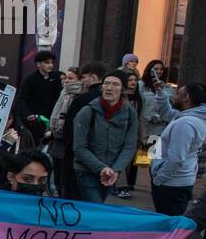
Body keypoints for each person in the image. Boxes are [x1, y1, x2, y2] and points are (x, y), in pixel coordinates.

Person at [147, 83, 206, 239]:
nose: (176, 96)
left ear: (187, 97)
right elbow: (167, 111)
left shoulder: (186, 123)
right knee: (173, 227)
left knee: (175, 229)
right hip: (176, 181)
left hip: (173, 183)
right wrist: (162, 93)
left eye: (178, 93)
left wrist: (161, 177)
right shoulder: (187, 117)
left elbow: (177, 157)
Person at [71, 70, 139, 204]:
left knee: (97, 208)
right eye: (106, 83)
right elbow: (79, 147)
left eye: (115, 84)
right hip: (87, 170)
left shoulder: (130, 113)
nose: (109, 88)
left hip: (111, 171)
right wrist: (101, 168)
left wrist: (116, 170)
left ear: (123, 90)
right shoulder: (87, 111)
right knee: (95, 208)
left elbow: (129, 146)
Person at [56, 61, 106, 198]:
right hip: (102, 158)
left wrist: (68, 150)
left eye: (83, 78)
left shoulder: (82, 99)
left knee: (72, 197)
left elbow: (69, 129)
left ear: (93, 77)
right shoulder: (109, 100)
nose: (82, 81)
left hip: (77, 156)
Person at [113, 71, 147, 198]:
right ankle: (121, 186)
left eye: (134, 80)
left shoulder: (140, 97)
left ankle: (130, 184)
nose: (132, 82)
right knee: (121, 158)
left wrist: (143, 136)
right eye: (130, 80)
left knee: (135, 160)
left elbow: (141, 117)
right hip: (121, 131)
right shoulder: (121, 96)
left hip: (136, 131)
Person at [20, 50, 61, 137]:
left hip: (52, 118)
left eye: (52, 63)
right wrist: (28, 114)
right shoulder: (31, 80)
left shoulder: (56, 78)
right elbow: (21, 98)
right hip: (36, 120)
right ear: (38, 64)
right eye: (47, 62)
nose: (50, 65)